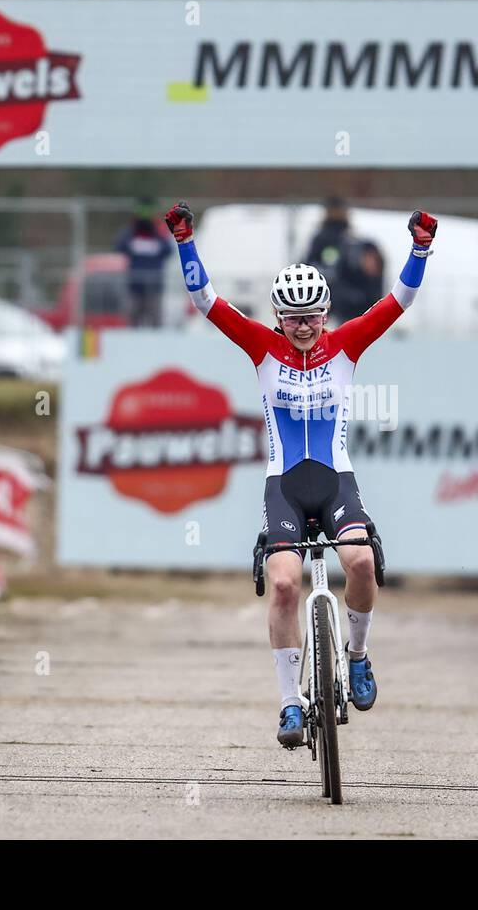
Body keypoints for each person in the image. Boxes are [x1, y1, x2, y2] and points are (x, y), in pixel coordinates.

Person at [164, 199, 437, 748]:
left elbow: (400, 299)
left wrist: (421, 247)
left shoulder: (346, 345)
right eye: (294, 318)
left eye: (313, 316)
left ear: (326, 314)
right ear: (279, 319)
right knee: (285, 584)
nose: (305, 326)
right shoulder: (262, 347)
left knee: (360, 563)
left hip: (336, 479)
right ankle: (290, 703)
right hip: (284, 486)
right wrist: (185, 239)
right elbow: (205, 300)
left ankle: (357, 658)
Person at [113, 203, 171, 328]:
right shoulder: (131, 235)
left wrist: (156, 229)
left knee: (156, 323)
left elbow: (168, 249)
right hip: (135, 287)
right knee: (133, 322)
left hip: (154, 287)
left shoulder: (158, 237)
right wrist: (134, 227)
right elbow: (119, 245)